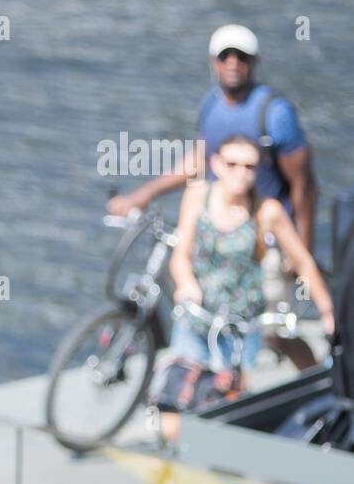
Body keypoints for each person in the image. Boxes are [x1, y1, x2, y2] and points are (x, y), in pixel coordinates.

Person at [109, 23, 320, 370]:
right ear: (214, 62)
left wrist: (302, 251)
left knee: (272, 331)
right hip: (218, 233)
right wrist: (141, 196)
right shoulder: (211, 104)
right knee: (205, 313)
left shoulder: (275, 113)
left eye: (242, 57)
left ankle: (315, 380)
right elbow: (198, 160)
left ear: (255, 62)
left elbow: (304, 186)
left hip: (263, 240)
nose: (233, 63)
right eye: (226, 56)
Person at [152, 135, 333, 442]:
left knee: (222, 409)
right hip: (198, 318)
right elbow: (180, 257)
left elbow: (303, 262)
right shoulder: (198, 195)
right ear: (216, 164)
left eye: (249, 166)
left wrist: (328, 313)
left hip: (239, 327)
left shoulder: (266, 211)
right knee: (173, 405)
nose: (240, 173)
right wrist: (186, 283)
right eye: (232, 164)